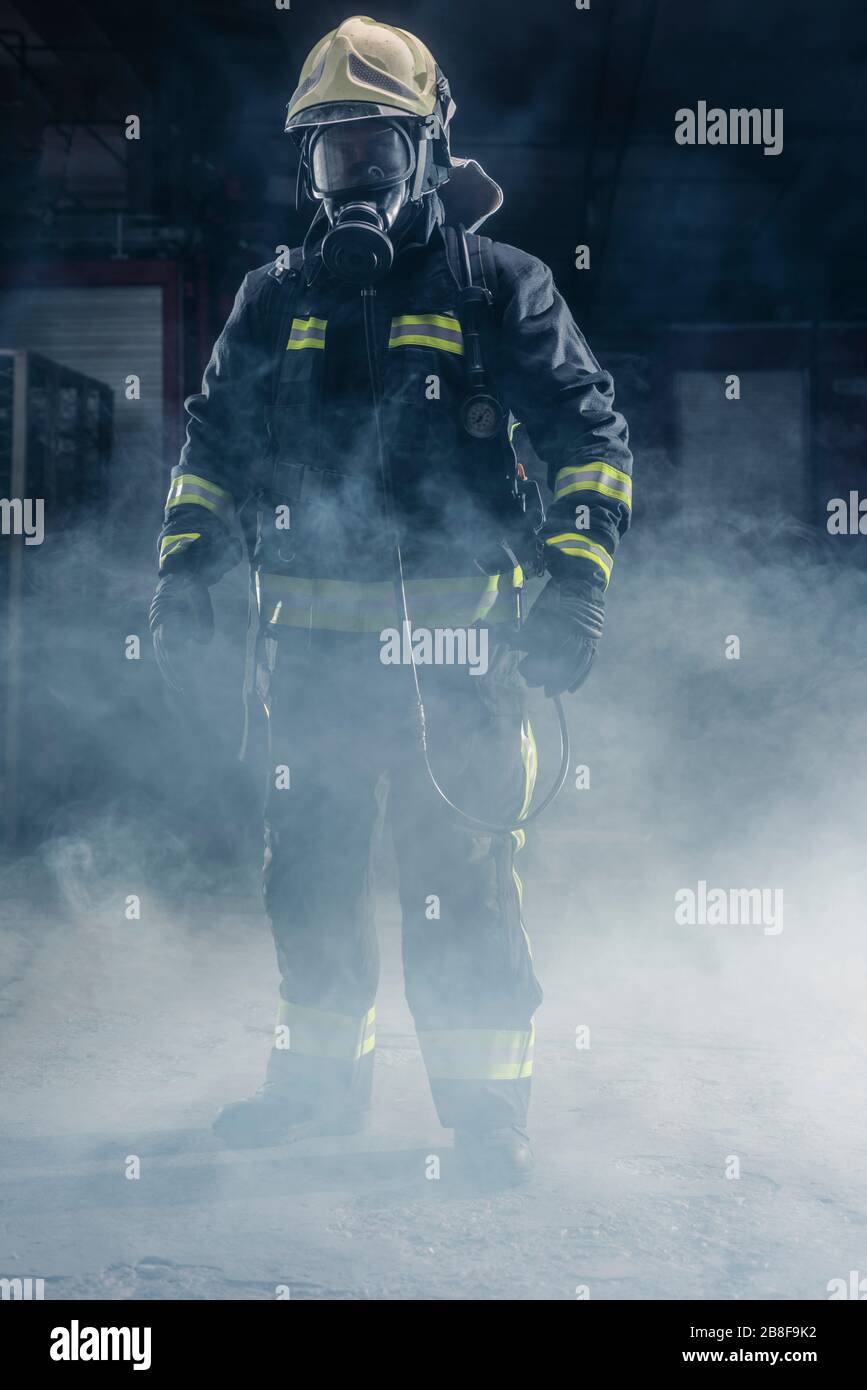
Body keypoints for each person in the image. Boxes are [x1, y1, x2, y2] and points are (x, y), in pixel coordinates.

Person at [149, 16, 633, 1186]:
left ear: (429, 151)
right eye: (331, 155)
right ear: (307, 168)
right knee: (306, 884)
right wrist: (184, 575)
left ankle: (485, 1121)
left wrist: (574, 587)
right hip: (309, 673)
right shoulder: (272, 300)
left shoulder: (498, 287)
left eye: (375, 150)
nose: (353, 177)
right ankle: (316, 1088)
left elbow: (591, 441)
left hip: (463, 674)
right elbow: (209, 450)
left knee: (460, 891)